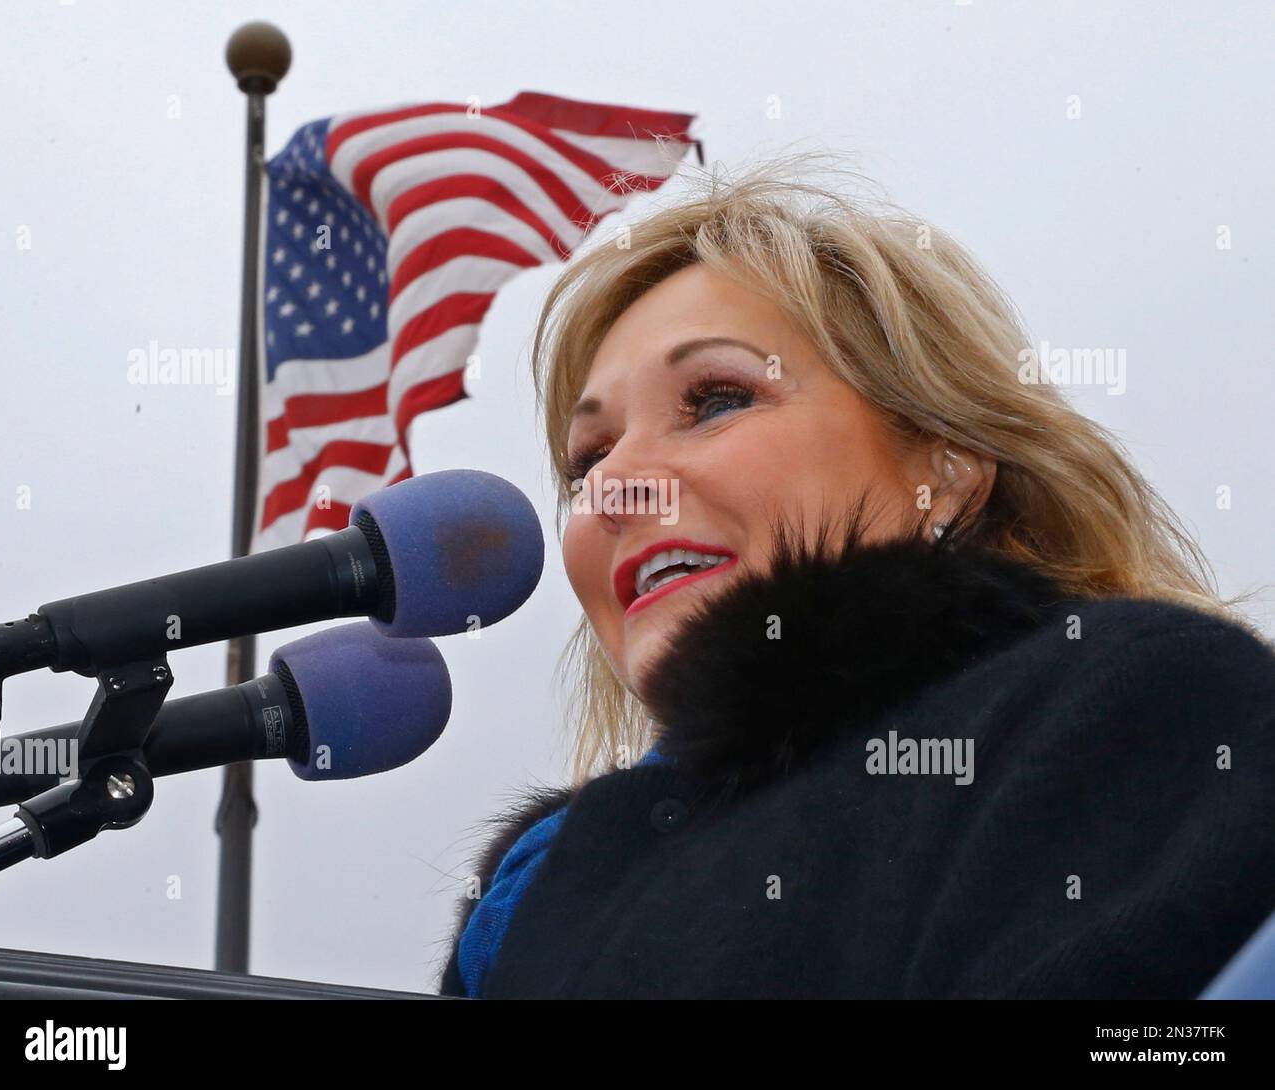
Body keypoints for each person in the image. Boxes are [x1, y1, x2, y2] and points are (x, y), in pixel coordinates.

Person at [436, 154, 1275, 999]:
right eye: (589, 459)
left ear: (946, 469)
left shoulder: (1139, 711)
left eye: (716, 400)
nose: (613, 488)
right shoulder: (532, 895)